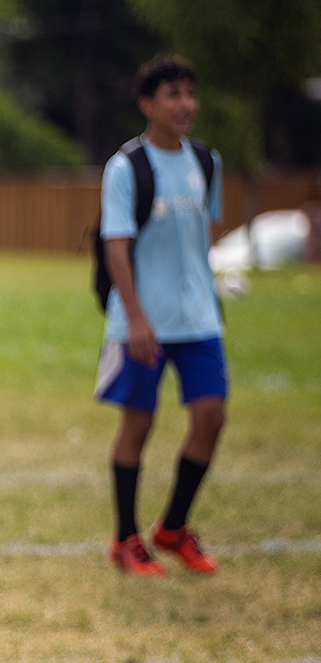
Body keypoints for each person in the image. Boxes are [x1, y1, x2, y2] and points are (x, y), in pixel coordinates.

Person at [97, 55, 226, 577]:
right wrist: (136, 318)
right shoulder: (127, 166)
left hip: (198, 320)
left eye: (190, 93)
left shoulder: (206, 161)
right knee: (139, 425)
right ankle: (125, 538)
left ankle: (172, 527)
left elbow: (201, 237)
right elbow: (116, 246)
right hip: (142, 322)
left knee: (212, 417)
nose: (185, 104)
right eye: (172, 94)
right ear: (147, 104)